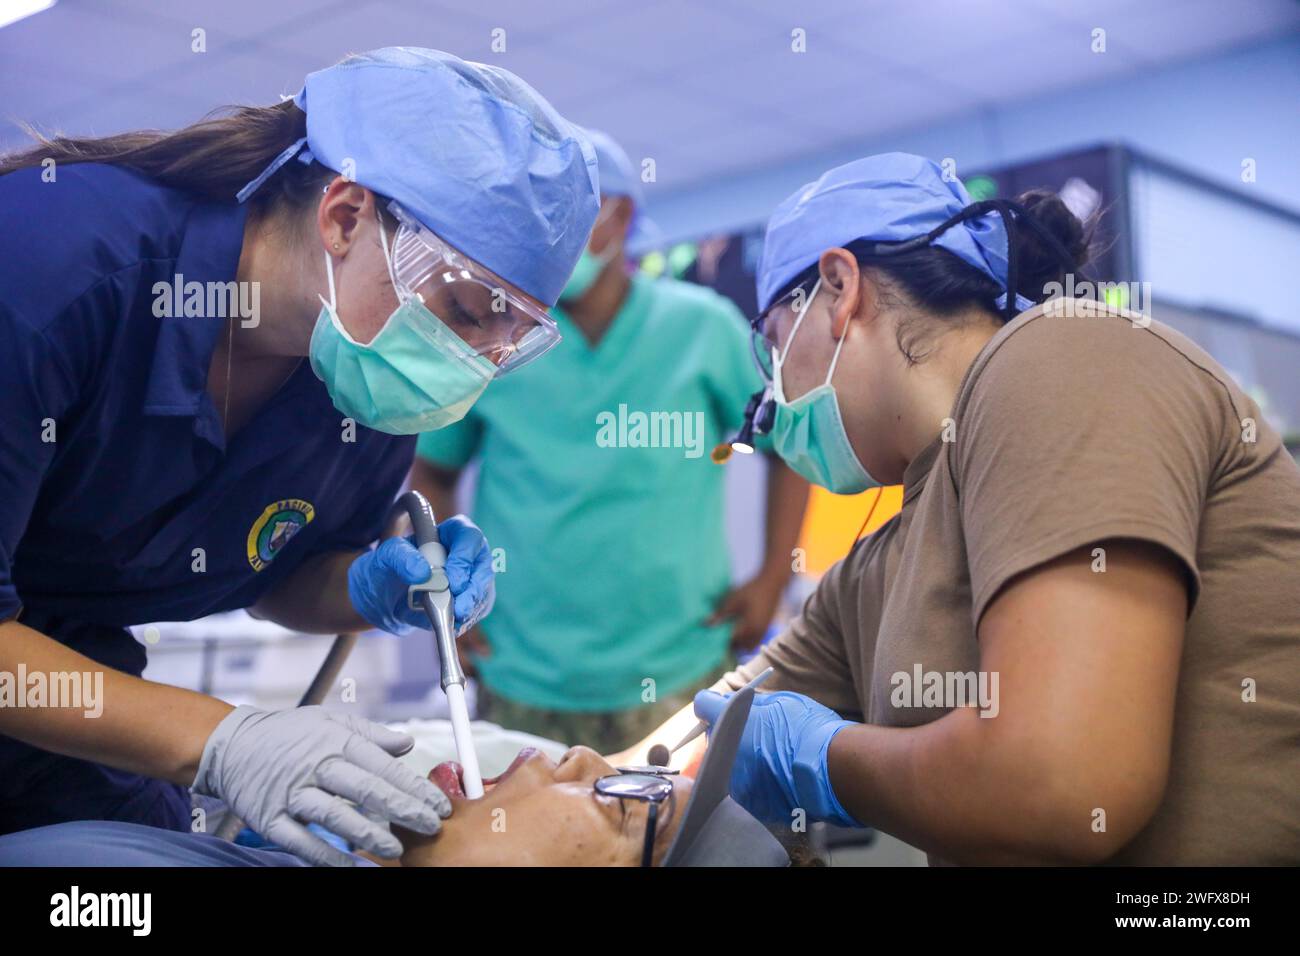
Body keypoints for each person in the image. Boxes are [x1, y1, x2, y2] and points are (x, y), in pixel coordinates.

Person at [0, 47, 599, 866]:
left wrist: (366, 583)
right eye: (464, 311)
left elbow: (276, 571)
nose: (472, 364)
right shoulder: (49, 266)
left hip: (70, 696)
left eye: (507, 341)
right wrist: (220, 741)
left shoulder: (360, 379)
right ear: (345, 216)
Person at [620, 152, 1300, 865]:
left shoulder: (1063, 355)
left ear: (839, 287)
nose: (769, 405)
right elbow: (684, 745)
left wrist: (826, 759)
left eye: (771, 345)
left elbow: (1066, 785)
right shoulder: (878, 568)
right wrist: (567, 781)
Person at [411, 129, 808, 754]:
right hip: (521, 673)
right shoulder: (498, 337)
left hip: (681, 665)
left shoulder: (700, 327)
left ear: (618, 215)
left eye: (558, 214)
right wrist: (443, 599)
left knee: (682, 843)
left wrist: (770, 581)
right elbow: (431, 472)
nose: (537, 234)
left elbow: (785, 446)